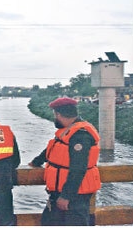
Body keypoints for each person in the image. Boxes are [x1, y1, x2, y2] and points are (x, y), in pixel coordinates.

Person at [28, 97, 101, 226]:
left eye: (55, 115)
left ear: (58, 114)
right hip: (61, 192)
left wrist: (66, 196)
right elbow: (54, 148)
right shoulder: (69, 130)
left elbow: (78, 168)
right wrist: (36, 162)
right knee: (48, 222)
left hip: (74, 196)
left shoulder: (80, 135)